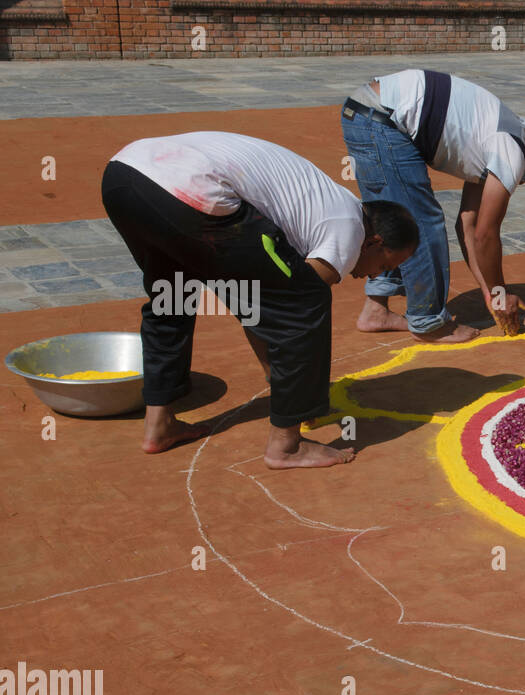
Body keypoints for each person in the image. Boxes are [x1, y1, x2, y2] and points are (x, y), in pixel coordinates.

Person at [102, 131, 419, 469]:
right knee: (306, 302)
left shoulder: (327, 206)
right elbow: (287, 310)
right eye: (384, 265)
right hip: (190, 189)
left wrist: (283, 383)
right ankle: (287, 445)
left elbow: (253, 299)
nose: (373, 276)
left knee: (174, 293)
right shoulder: (349, 229)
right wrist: (294, 392)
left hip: (125, 175)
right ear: (374, 240)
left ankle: (159, 424)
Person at [340, 69, 525, 342]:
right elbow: (485, 234)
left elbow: (468, 225)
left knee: (392, 222)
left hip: (364, 112)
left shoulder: (504, 136)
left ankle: (375, 311)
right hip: (383, 121)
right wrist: (500, 295)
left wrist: (490, 293)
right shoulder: (512, 151)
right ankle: (428, 322)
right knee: (420, 222)